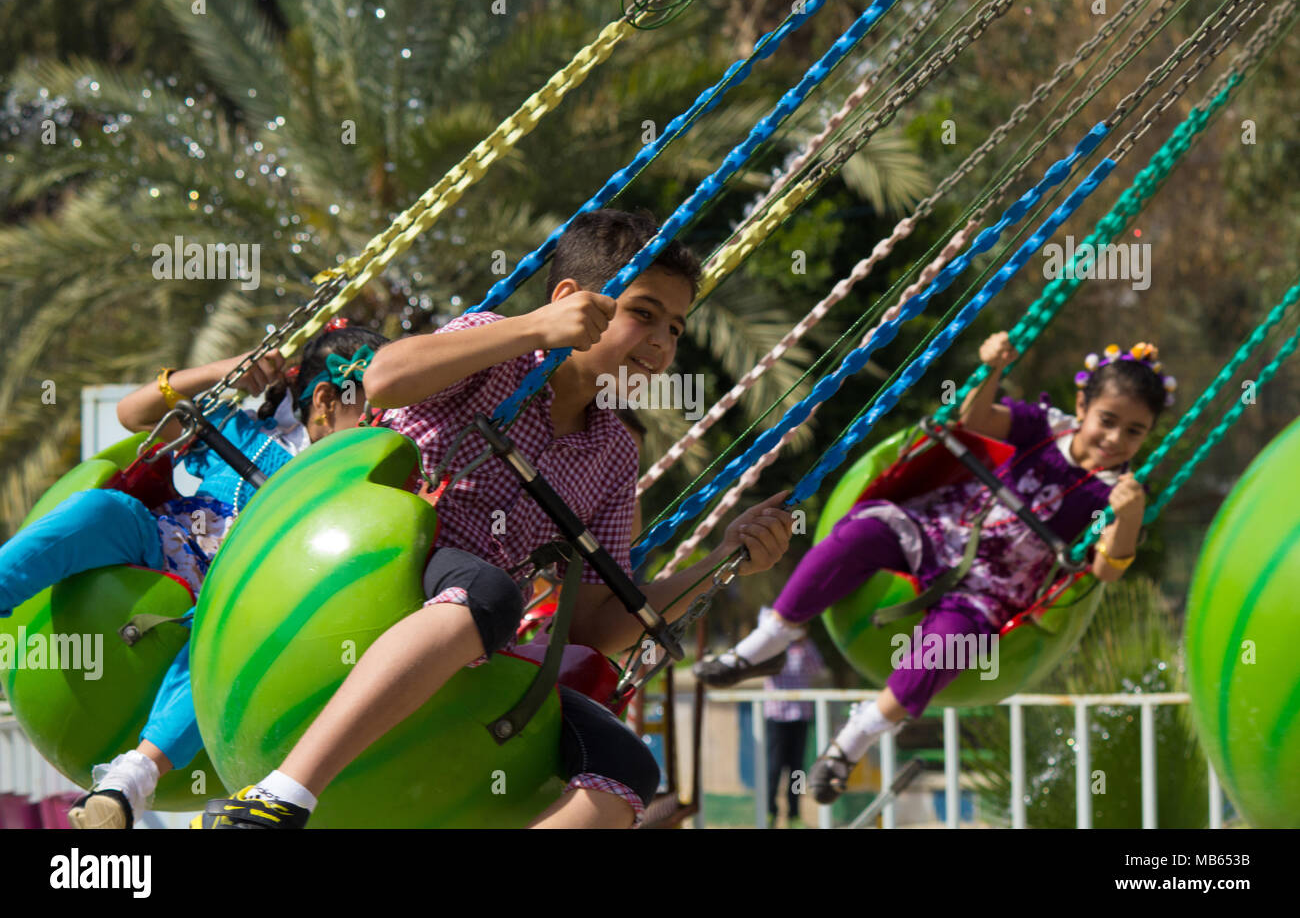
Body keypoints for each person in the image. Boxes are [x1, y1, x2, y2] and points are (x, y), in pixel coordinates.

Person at [195, 209, 796, 830]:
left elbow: (596, 618)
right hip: (358, 574)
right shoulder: (497, 345)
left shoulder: (613, 454)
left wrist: (723, 562)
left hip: (471, 629)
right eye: (643, 312)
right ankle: (278, 796)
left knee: (627, 770)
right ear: (573, 299)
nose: (662, 343)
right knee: (487, 592)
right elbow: (385, 378)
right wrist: (535, 330)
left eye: (675, 327)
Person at [696, 333, 1174, 803]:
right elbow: (977, 418)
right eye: (1106, 420)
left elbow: (1108, 569)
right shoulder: (1042, 428)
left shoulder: (1119, 494)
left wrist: (1128, 515)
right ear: (1082, 404)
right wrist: (991, 370)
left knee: (945, 647)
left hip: (991, 590)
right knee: (860, 531)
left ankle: (851, 743)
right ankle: (766, 643)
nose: (1114, 439)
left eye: (1133, 431)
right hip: (938, 529)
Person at [0, 321, 388, 828]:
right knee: (102, 509)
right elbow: (133, 413)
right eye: (377, 409)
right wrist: (225, 371)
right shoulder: (252, 434)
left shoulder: (357, 485)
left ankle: (130, 778)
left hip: (232, 606)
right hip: (162, 543)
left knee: (222, 645)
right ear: (325, 399)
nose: (386, 424)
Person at [758, 607, 826, 827]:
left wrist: (804, 642)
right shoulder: (771, 647)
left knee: (797, 770)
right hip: (776, 715)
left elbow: (817, 669)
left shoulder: (803, 647)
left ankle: (794, 813)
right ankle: (770, 811)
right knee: (774, 768)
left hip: (800, 715)